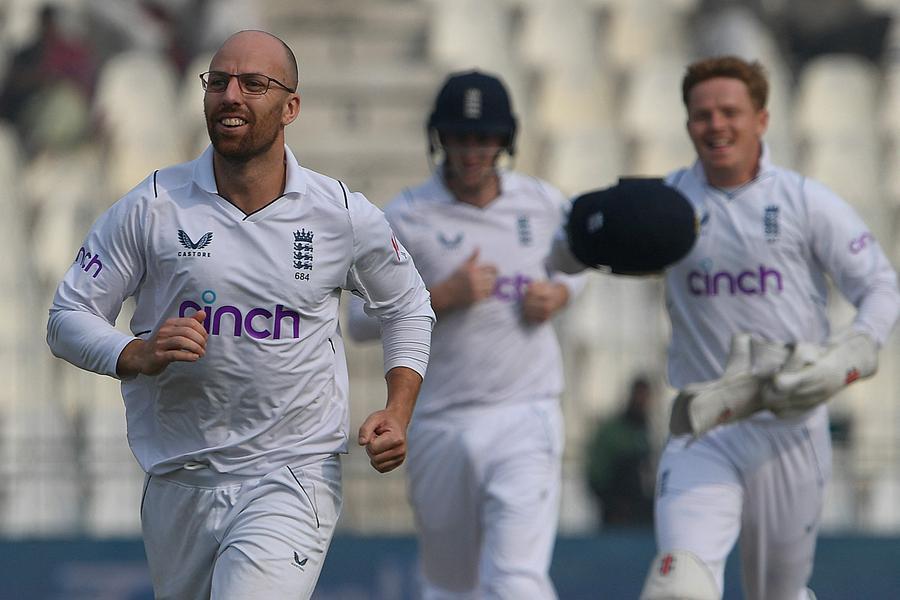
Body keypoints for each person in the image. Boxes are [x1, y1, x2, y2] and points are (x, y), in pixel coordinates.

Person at [46, 30, 434, 600]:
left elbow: (408, 305)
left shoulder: (340, 214)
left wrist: (398, 410)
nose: (231, 95)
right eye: (219, 82)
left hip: (292, 472)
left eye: (254, 84)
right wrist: (135, 353)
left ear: (290, 107)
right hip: (179, 478)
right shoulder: (153, 205)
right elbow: (66, 316)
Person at [637, 56, 900, 600]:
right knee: (679, 587)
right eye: (702, 115)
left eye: (730, 112)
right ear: (688, 124)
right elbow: (582, 244)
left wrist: (847, 357)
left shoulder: (804, 201)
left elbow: (880, 286)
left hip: (791, 429)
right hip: (704, 425)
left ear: (761, 119)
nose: (716, 125)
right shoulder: (665, 205)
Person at [347, 70, 585, 598]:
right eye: (460, 138)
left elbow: (578, 265)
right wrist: (440, 296)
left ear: (505, 140)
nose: (473, 151)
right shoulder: (407, 216)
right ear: (440, 139)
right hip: (441, 419)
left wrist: (560, 294)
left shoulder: (542, 202)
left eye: (484, 138)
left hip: (526, 412)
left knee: (517, 578)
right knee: (450, 585)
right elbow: (359, 321)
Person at [584, 375, 657, 528]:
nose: (642, 401)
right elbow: (596, 474)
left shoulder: (646, 430)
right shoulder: (613, 431)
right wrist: (613, 505)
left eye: (646, 397)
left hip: (639, 512)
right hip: (614, 510)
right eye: (639, 395)